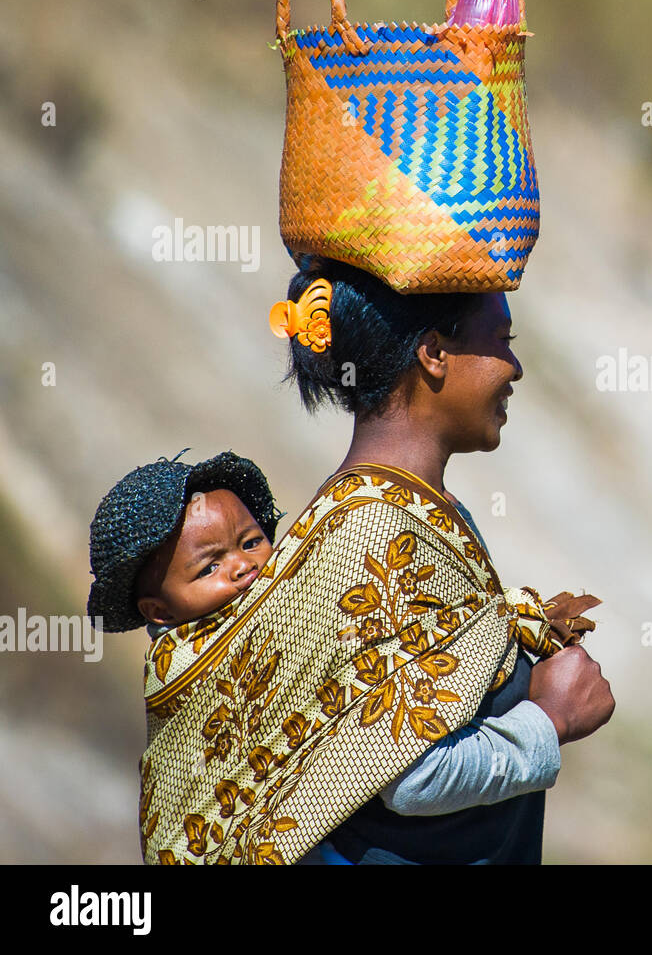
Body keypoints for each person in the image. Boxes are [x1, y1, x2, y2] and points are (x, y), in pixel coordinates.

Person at [134, 258, 614, 865]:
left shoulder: (406, 512)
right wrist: (550, 720)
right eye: (501, 339)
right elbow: (410, 777)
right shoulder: (377, 533)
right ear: (433, 353)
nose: (513, 366)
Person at [88, 450, 282, 635]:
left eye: (250, 544)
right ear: (159, 611)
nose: (244, 565)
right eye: (209, 569)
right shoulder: (199, 659)